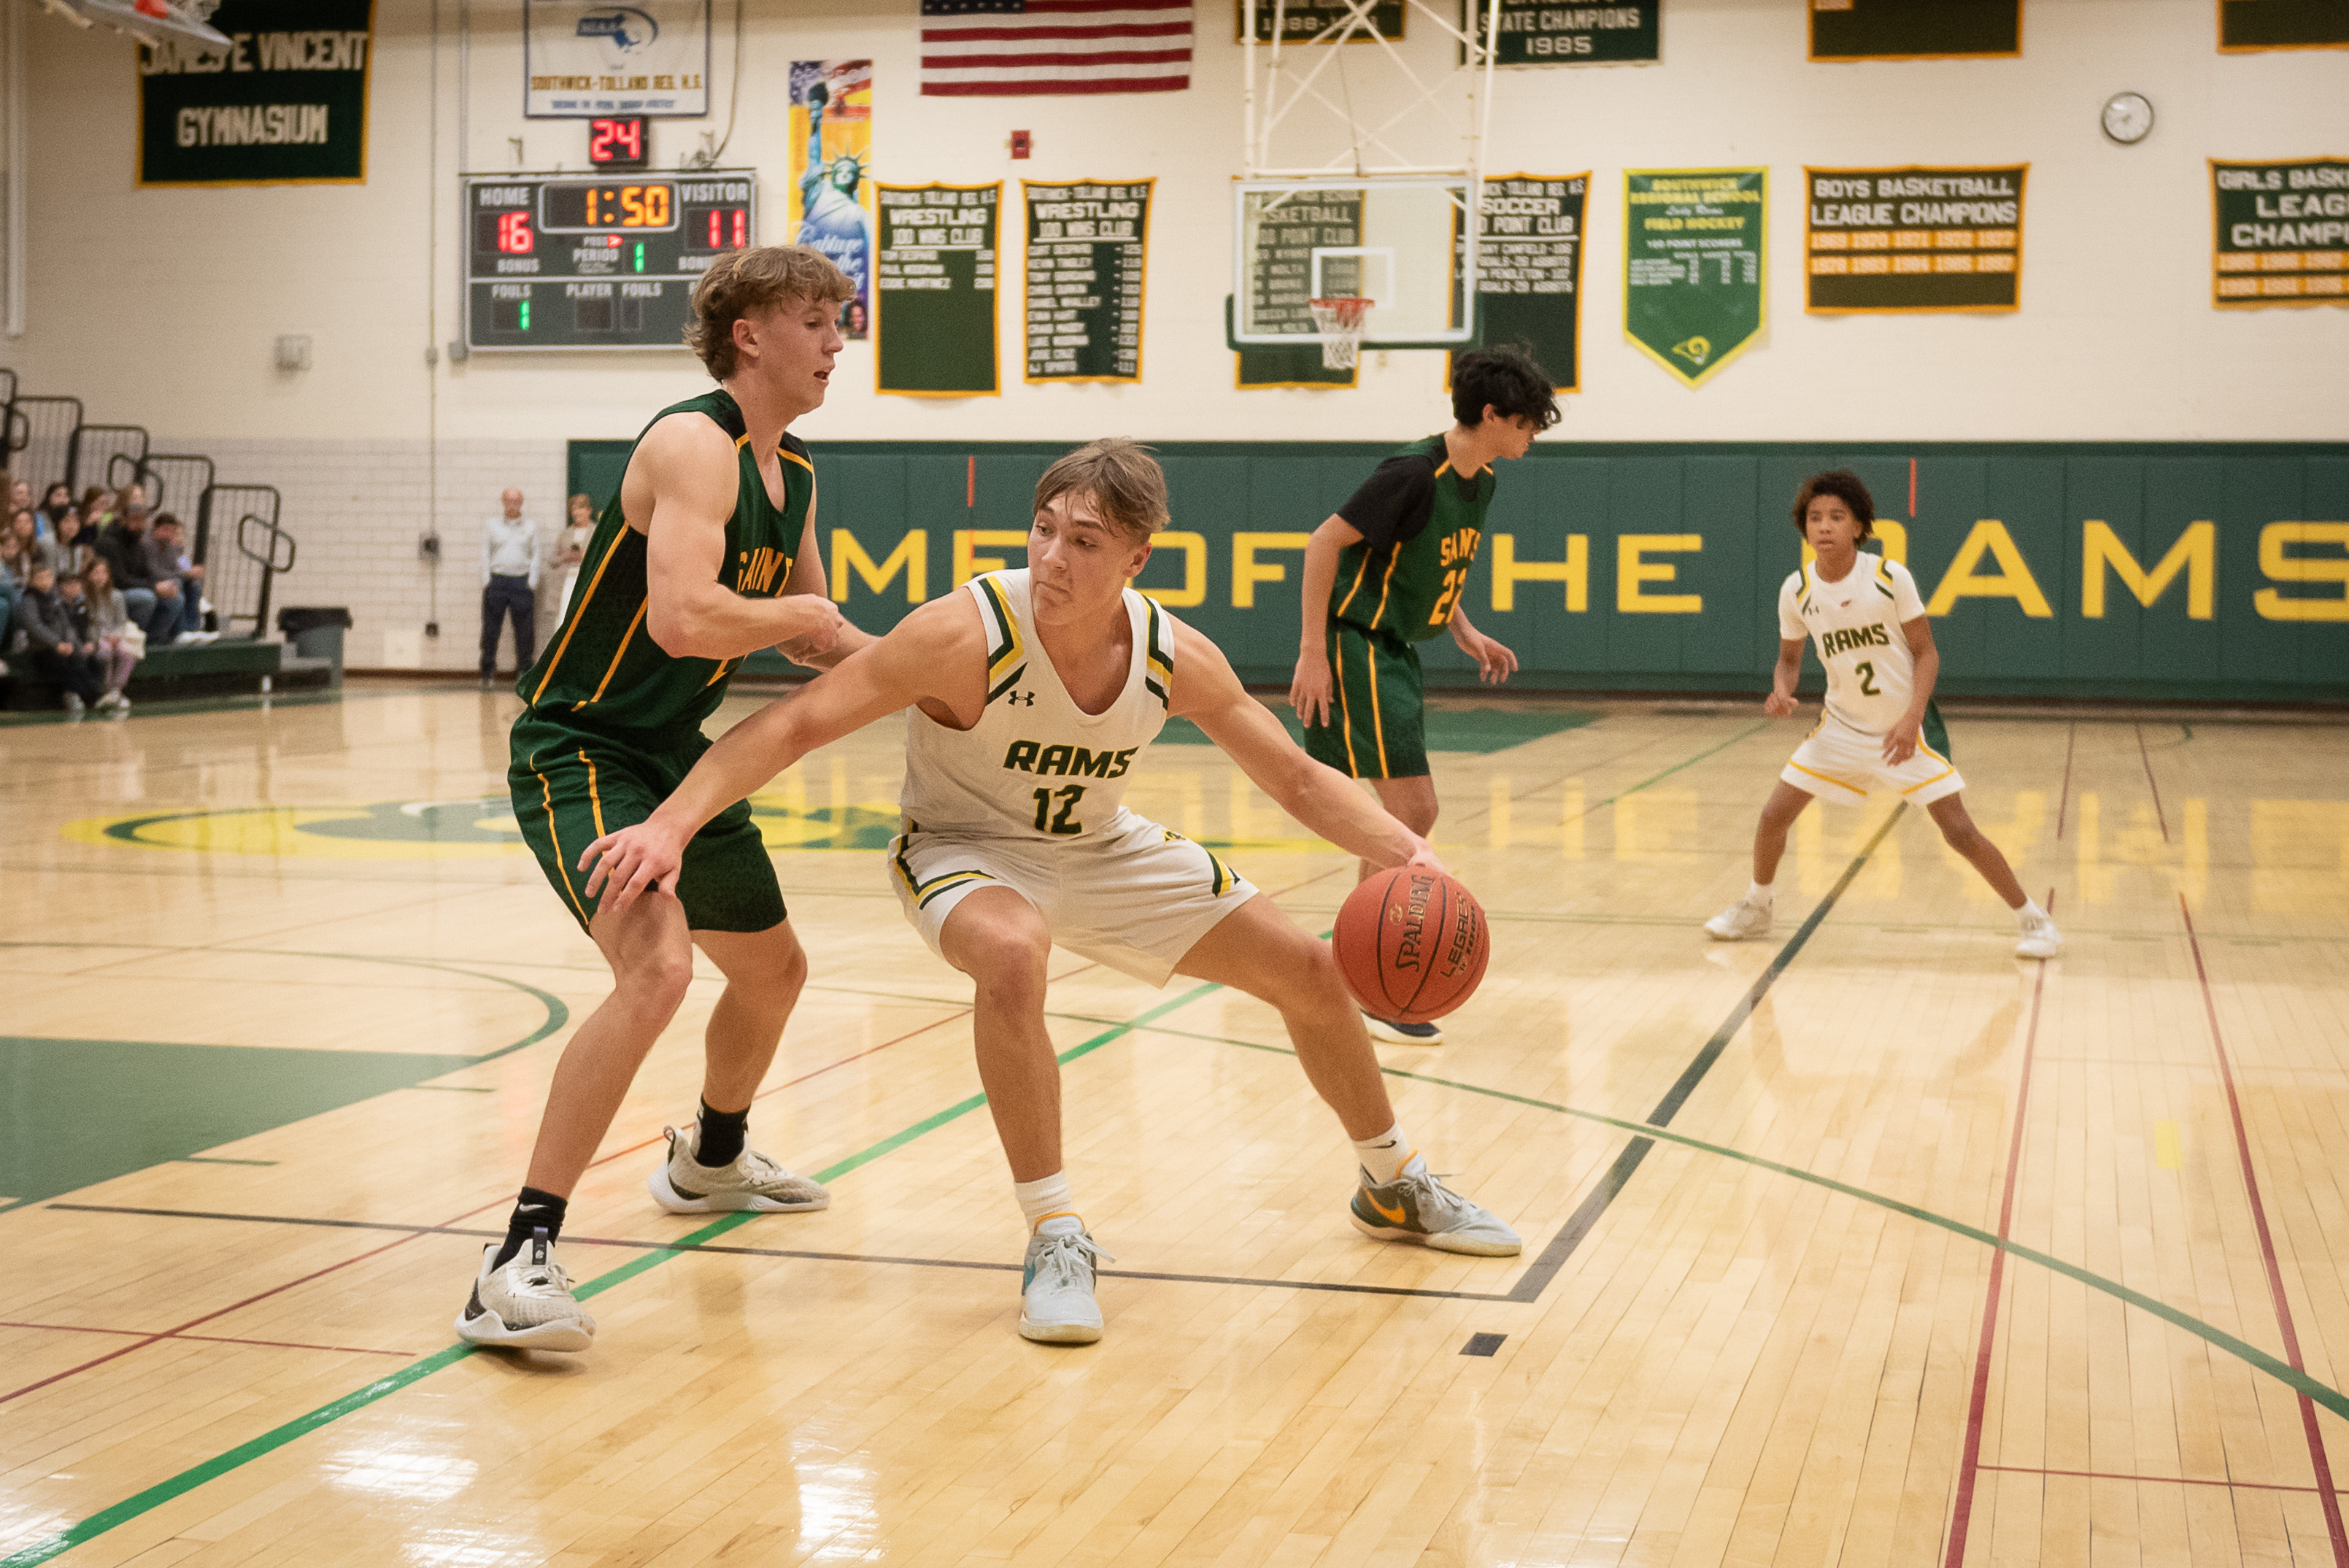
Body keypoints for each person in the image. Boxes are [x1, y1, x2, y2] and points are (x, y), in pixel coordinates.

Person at [580, 439, 1524, 1348]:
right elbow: (793, 725)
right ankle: (1054, 1230)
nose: (1052, 555)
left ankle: (1391, 1179)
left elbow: (1298, 778)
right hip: (965, 850)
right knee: (1010, 952)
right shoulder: (966, 631)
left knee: (1313, 976)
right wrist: (672, 822)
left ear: (1136, 558)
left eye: (1084, 541)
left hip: (1099, 846)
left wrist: (1411, 854)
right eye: (1044, 529)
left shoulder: (1170, 652)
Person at [453, 244, 865, 1354]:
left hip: (673, 752)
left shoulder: (798, 474)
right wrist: (805, 623)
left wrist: (945, 677)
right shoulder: (690, 442)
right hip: (580, 745)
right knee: (660, 970)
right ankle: (516, 1256)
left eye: (840, 321)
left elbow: (828, 644)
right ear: (751, 333)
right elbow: (688, 618)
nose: (838, 341)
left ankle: (711, 1157)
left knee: (774, 970)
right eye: (819, 320)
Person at [1287, 345, 1561, 1043]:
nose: (1534, 434)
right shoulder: (1412, 471)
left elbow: (1436, 561)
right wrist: (1313, 651)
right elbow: (1323, 543)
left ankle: (1358, 969)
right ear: (1492, 414)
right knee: (1411, 807)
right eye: (1528, 422)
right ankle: (1364, 979)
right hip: (1357, 642)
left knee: (1404, 812)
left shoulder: (1482, 481)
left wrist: (1461, 629)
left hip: (1399, 648)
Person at [1702, 471, 2062, 959]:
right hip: (1841, 729)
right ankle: (1756, 906)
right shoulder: (1796, 589)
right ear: (1803, 528)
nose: (1823, 526)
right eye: (1814, 518)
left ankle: (2034, 918)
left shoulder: (1889, 578)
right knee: (1772, 816)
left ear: (1857, 525)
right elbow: (1789, 660)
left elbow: (1927, 654)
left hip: (1902, 729)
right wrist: (1781, 691)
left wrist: (1912, 717)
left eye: (1836, 517)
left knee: (1958, 831)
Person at [9, 563, 104, 714]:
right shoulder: (29, 600)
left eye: (49, 577)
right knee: (66, 666)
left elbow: (67, 626)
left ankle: (92, 697)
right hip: (41, 650)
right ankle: (81, 697)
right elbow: (35, 627)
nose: (46, 580)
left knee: (86, 662)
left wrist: (75, 647)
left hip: (64, 647)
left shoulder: (56, 599)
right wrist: (57, 644)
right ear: (32, 580)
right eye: (41, 578)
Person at [480, 489, 542, 689]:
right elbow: (485, 553)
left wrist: (532, 583)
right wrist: (486, 581)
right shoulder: (492, 525)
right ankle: (487, 671)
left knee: (524, 632)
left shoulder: (531, 527)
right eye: (509, 500)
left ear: (522, 502)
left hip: (521, 584)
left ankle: (524, 672)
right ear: (503, 502)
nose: (512, 503)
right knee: (491, 630)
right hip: (497, 583)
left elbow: (536, 556)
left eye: (516, 500)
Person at [94, 506, 169, 643]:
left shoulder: (136, 540)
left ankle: (153, 642)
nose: (139, 525)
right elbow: (120, 581)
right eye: (135, 520)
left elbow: (146, 572)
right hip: (112, 591)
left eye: (142, 521)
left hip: (131, 587)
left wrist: (159, 585)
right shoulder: (110, 542)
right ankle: (132, 642)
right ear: (123, 520)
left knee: (174, 598)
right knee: (147, 598)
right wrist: (153, 587)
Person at [82, 558, 138, 711]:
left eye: (103, 573)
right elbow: (85, 625)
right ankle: (105, 690)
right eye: (96, 573)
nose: (99, 577)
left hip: (113, 636)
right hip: (94, 638)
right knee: (105, 652)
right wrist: (101, 638)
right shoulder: (84, 597)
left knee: (127, 653)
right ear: (89, 575)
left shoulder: (117, 596)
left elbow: (121, 622)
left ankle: (116, 690)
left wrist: (116, 636)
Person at [146, 514, 207, 641]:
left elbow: (175, 569)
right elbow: (154, 572)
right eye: (165, 530)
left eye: (172, 531)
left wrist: (190, 575)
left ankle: (191, 629)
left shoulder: (169, 546)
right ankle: (180, 632)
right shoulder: (148, 545)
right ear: (155, 528)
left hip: (169, 578)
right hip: (151, 581)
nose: (169, 535)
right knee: (177, 583)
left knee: (194, 583)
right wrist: (186, 574)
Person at [555, 492, 596, 618]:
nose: (576, 513)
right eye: (574, 509)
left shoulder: (596, 532)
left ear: (589, 511)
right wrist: (565, 557)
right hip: (566, 582)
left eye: (580, 508)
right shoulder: (565, 534)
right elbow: (552, 559)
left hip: (586, 580)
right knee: (564, 617)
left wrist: (585, 556)